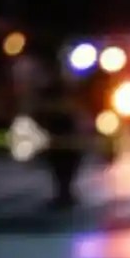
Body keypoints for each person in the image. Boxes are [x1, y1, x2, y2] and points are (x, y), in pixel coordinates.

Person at [35, 67, 89, 208]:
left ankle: (65, 192)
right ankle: (63, 192)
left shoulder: (72, 94)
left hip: (68, 137)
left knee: (67, 165)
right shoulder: (50, 92)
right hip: (58, 135)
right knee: (59, 166)